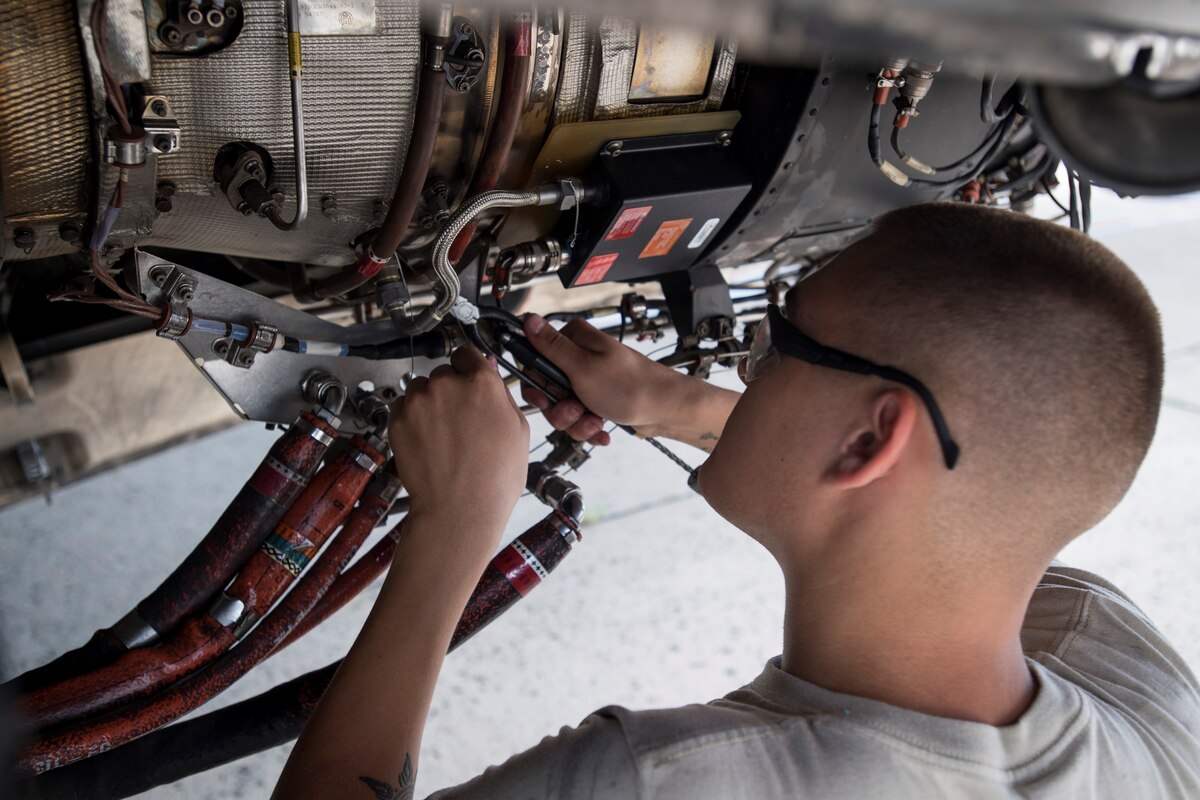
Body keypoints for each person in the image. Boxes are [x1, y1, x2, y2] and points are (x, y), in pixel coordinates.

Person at [272, 202, 1200, 799]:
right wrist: (667, 401)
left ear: (873, 441)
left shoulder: (669, 783)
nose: (750, 368)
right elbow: (933, 518)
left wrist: (454, 526)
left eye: (780, 344)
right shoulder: (1130, 679)